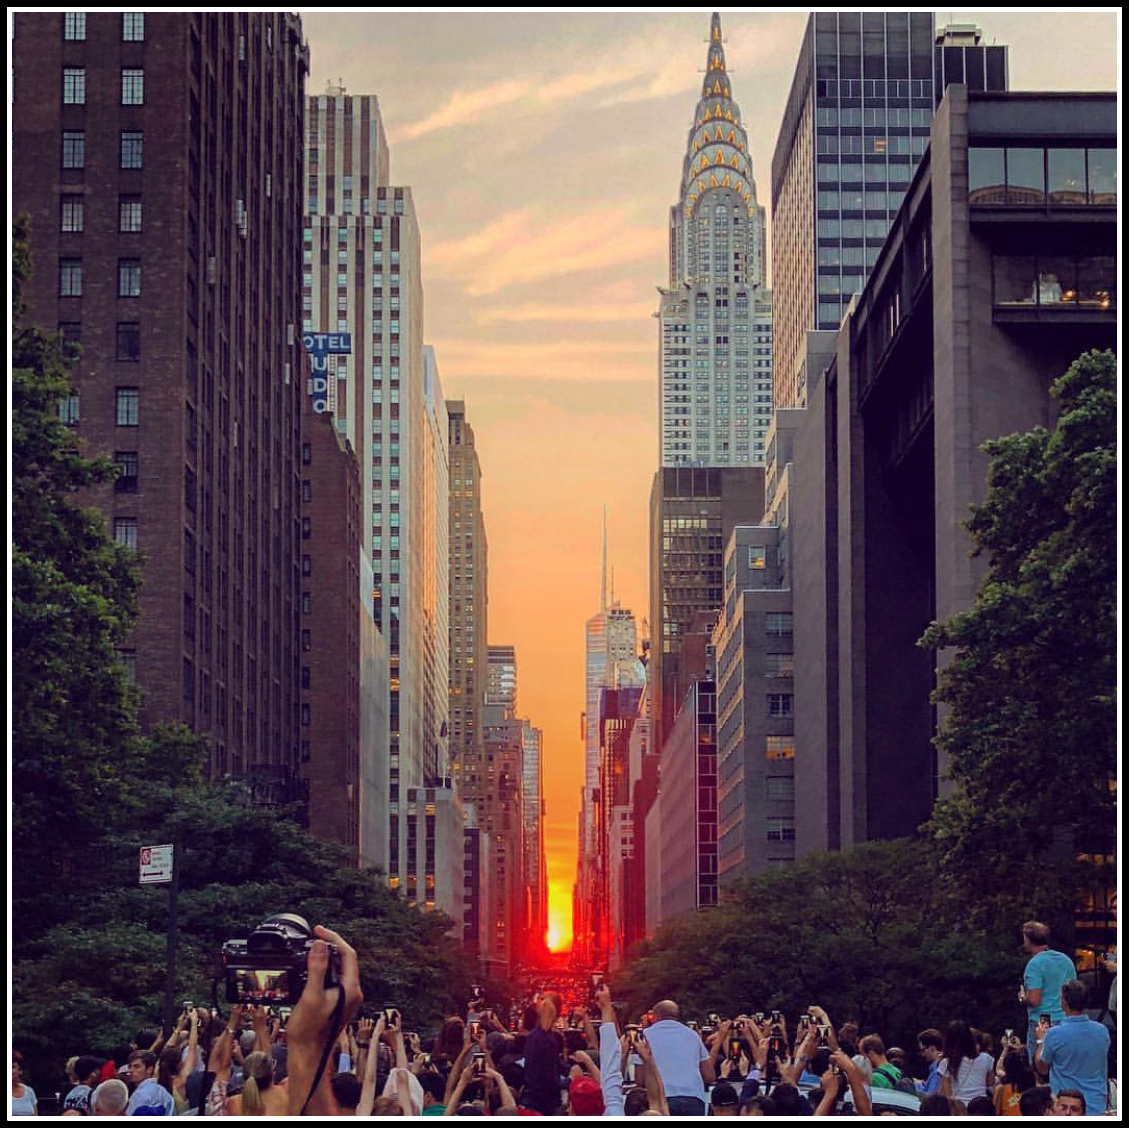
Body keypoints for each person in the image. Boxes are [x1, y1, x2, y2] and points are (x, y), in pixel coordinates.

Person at [1034, 979, 1110, 1115]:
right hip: (1096, 1102)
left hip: (1066, 1107)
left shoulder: (1054, 1034)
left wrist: (1040, 1040)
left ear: (1064, 1002)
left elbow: (1042, 1068)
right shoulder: (1102, 1031)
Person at [640, 999, 712, 1115]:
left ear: (654, 1016)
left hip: (661, 1099)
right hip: (693, 1099)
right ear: (676, 1016)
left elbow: (640, 1079)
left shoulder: (644, 1036)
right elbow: (709, 1075)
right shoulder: (692, 1035)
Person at [1019, 921, 1077, 1059]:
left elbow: (1034, 999)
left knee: (1039, 1064)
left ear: (1028, 939)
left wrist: (1022, 997)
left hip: (1043, 1020)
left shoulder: (1034, 964)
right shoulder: (1065, 960)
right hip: (1065, 1017)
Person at [937, 1021, 995, 1106]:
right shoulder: (986, 1058)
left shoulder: (946, 1064)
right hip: (981, 1107)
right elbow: (990, 1082)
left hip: (959, 1109)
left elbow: (947, 1095)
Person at [126, 1050, 175, 1116]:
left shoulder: (140, 1095)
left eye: (136, 1067)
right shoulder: (164, 1092)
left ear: (149, 1069)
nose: (130, 1070)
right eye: (130, 1066)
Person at [993, 1047, 1036, 1116]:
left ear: (1006, 1068)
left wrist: (1005, 1048)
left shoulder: (1001, 1089)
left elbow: (995, 1113)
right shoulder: (1034, 1087)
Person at [917, 1029, 945, 1095]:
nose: (922, 1054)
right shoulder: (935, 1068)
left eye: (923, 1050)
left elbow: (930, 1097)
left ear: (932, 1048)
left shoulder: (939, 1070)